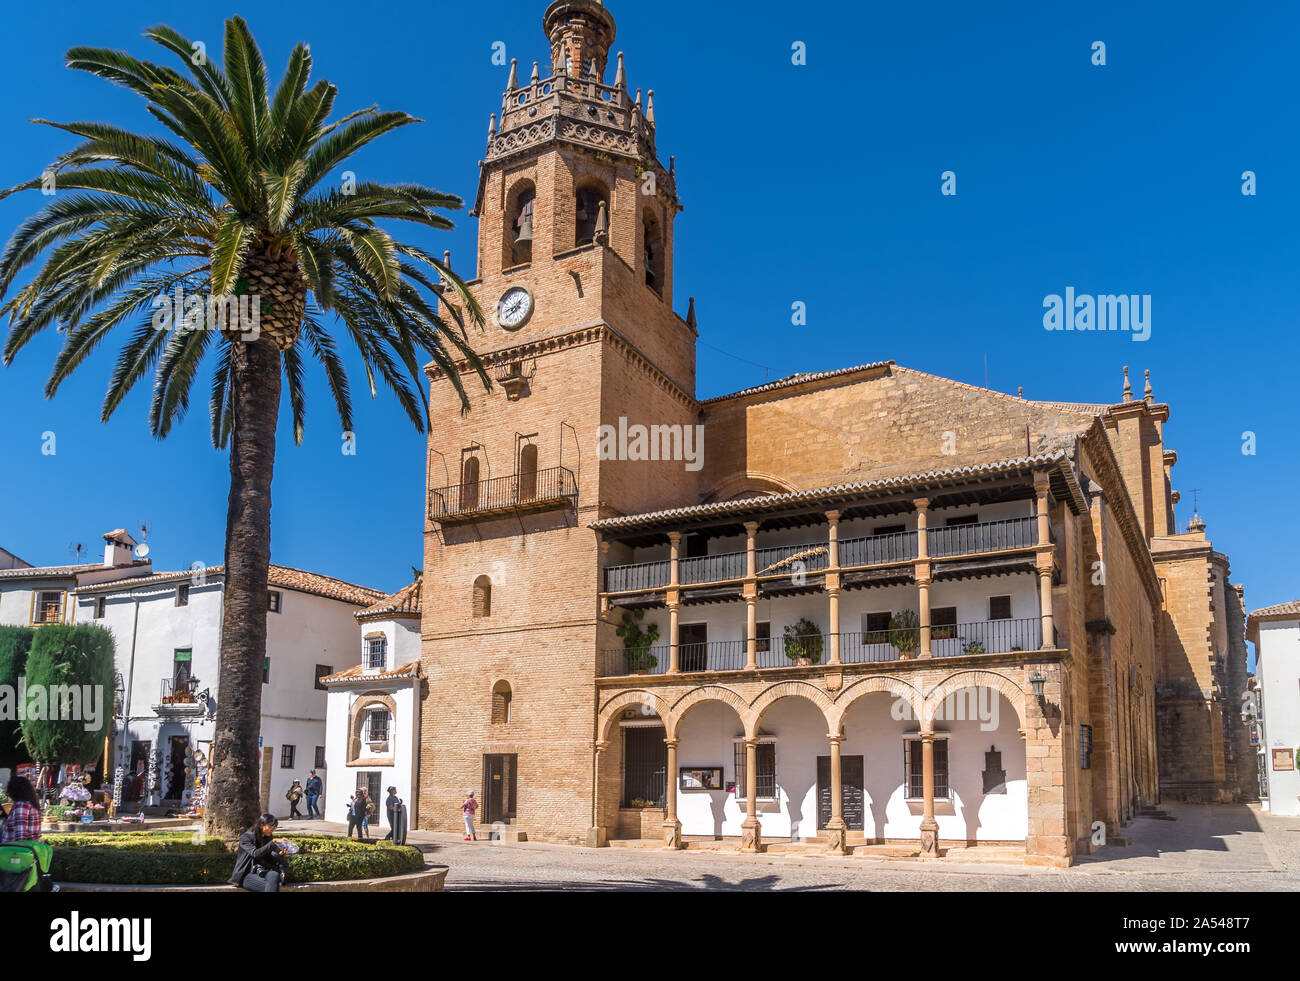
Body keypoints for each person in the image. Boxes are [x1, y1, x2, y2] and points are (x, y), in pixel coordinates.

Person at [228, 812, 288, 893]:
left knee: (274, 875)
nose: (273, 829)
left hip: (263, 871)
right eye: (271, 826)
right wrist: (273, 842)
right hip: (247, 874)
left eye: (275, 827)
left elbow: (268, 856)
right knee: (273, 887)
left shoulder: (268, 837)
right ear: (261, 825)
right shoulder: (245, 838)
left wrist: (279, 854)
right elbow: (255, 854)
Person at [0, 776, 42, 844]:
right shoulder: (32, 804)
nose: (8, 793)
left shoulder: (21, 805)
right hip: (31, 847)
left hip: (13, 851)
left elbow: (21, 836)